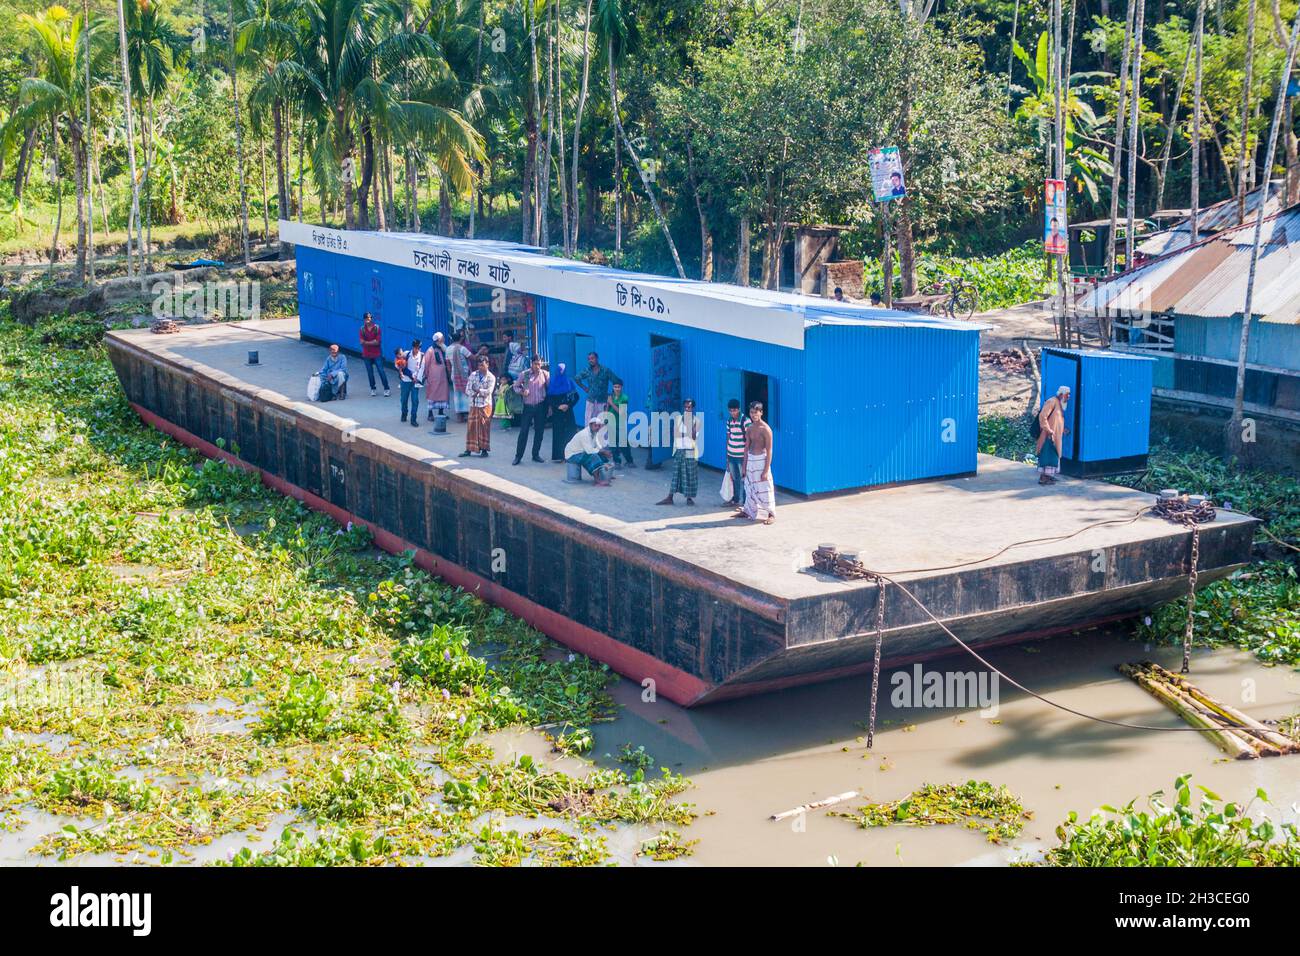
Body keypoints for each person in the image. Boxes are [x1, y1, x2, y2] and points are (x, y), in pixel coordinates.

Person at [736, 402, 776, 525]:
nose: (753, 415)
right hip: (751, 461)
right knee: (749, 487)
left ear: (761, 412)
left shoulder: (766, 429)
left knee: (765, 487)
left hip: (761, 461)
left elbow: (769, 451)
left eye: (756, 412)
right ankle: (748, 511)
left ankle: (771, 514)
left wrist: (765, 470)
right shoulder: (749, 428)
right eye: (752, 412)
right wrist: (744, 466)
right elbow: (746, 448)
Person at [656, 399, 701, 506]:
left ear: (693, 408)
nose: (687, 409)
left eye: (689, 407)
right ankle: (670, 497)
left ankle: (689, 498)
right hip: (679, 449)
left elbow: (694, 437)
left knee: (690, 474)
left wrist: (687, 429)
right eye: (685, 407)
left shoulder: (697, 421)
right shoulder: (678, 419)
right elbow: (675, 434)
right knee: (676, 474)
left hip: (690, 449)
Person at [512, 354, 549, 465]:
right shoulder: (525, 374)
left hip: (540, 406)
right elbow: (515, 387)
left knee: (539, 431)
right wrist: (522, 392)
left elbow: (551, 388)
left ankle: (535, 454)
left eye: (539, 364)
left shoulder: (545, 374)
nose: (537, 366)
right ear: (531, 364)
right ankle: (518, 456)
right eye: (535, 364)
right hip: (528, 407)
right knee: (523, 432)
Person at [461, 355, 496, 457]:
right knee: (471, 427)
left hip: (485, 405)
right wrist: (477, 392)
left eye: (482, 365)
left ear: (487, 365)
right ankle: (469, 449)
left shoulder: (491, 377)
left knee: (484, 427)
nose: (480, 367)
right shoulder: (473, 375)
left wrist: (477, 391)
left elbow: (489, 391)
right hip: (474, 404)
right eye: (479, 365)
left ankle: (484, 450)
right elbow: (467, 389)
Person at [1035, 385, 1071, 485]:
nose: (1068, 397)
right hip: (1048, 435)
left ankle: (1049, 476)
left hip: (1055, 435)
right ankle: (1043, 478)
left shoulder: (1059, 403)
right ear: (1061, 394)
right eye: (1067, 395)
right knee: (1048, 455)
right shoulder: (1052, 401)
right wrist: (1048, 430)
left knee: (1053, 456)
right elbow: (1043, 416)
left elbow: (1056, 420)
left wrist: (1063, 429)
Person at [565, 418, 615, 486]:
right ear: (591, 425)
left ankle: (605, 475)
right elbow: (590, 451)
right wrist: (603, 451)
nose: (597, 427)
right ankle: (597, 481)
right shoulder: (584, 434)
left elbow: (596, 446)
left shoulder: (593, 432)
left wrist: (603, 451)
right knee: (593, 456)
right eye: (595, 426)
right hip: (572, 455)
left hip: (580, 452)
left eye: (599, 426)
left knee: (601, 455)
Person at [547, 362, 580, 462]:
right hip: (558, 413)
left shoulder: (569, 382)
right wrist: (558, 406)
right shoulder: (552, 383)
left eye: (562, 370)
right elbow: (549, 399)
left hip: (568, 412)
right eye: (560, 370)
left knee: (570, 432)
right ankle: (559, 456)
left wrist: (568, 405)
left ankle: (570, 455)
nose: (561, 372)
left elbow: (576, 397)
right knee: (558, 433)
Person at [575, 351, 616, 426]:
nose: (590, 360)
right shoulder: (587, 371)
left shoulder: (605, 370)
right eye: (589, 359)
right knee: (588, 423)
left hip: (602, 401)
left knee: (601, 423)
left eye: (592, 358)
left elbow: (616, 380)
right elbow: (577, 378)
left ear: (597, 358)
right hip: (591, 401)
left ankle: (600, 438)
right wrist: (584, 388)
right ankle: (589, 437)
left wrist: (611, 395)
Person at [723, 399, 749, 507]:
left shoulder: (745, 421)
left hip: (742, 456)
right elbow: (728, 438)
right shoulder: (729, 421)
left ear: (738, 409)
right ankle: (736, 500)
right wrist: (727, 456)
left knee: (744, 479)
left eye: (734, 410)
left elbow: (748, 440)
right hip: (731, 455)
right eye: (730, 410)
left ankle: (745, 503)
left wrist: (746, 457)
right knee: (734, 478)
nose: (732, 412)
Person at [607, 379, 635, 469]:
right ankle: (617, 462)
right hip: (611, 423)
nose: (617, 389)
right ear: (613, 387)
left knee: (624, 444)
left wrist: (611, 403)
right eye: (615, 387)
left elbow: (621, 413)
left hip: (620, 423)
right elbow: (607, 408)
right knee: (613, 445)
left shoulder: (624, 398)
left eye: (618, 387)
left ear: (621, 387)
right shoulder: (610, 396)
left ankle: (630, 461)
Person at [358, 313, 389, 396]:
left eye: (370, 318)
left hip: (377, 354)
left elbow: (377, 342)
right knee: (370, 372)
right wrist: (372, 342)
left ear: (372, 318)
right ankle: (373, 388)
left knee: (381, 371)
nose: (368, 319)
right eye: (367, 318)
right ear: (364, 319)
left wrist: (366, 342)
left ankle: (386, 388)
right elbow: (361, 342)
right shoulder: (362, 329)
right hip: (366, 354)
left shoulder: (377, 328)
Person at [445, 331, 473, 423]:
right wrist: (480, 352)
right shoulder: (462, 348)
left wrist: (450, 375)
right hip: (464, 374)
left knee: (457, 395)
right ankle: (468, 415)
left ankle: (459, 417)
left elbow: (448, 364)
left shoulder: (448, 349)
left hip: (454, 374)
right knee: (467, 393)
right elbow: (473, 358)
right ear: (460, 339)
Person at [424, 332, 451, 423]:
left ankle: (441, 412)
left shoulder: (442, 349)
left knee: (443, 394)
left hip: (443, 377)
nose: (443, 340)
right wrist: (426, 375)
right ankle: (430, 414)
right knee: (432, 395)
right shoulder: (430, 351)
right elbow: (426, 364)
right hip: (433, 377)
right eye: (442, 338)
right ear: (438, 340)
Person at [403, 339, 425, 429]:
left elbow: (423, 369)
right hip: (406, 381)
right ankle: (404, 413)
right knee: (404, 399)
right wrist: (412, 376)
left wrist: (419, 378)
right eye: (416, 348)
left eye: (419, 348)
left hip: (415, 382)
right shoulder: (406, 354)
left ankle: (413, 419)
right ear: (413, 347)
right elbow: (402, 367)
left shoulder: (422, 356)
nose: (418, 350)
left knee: (415, 400)